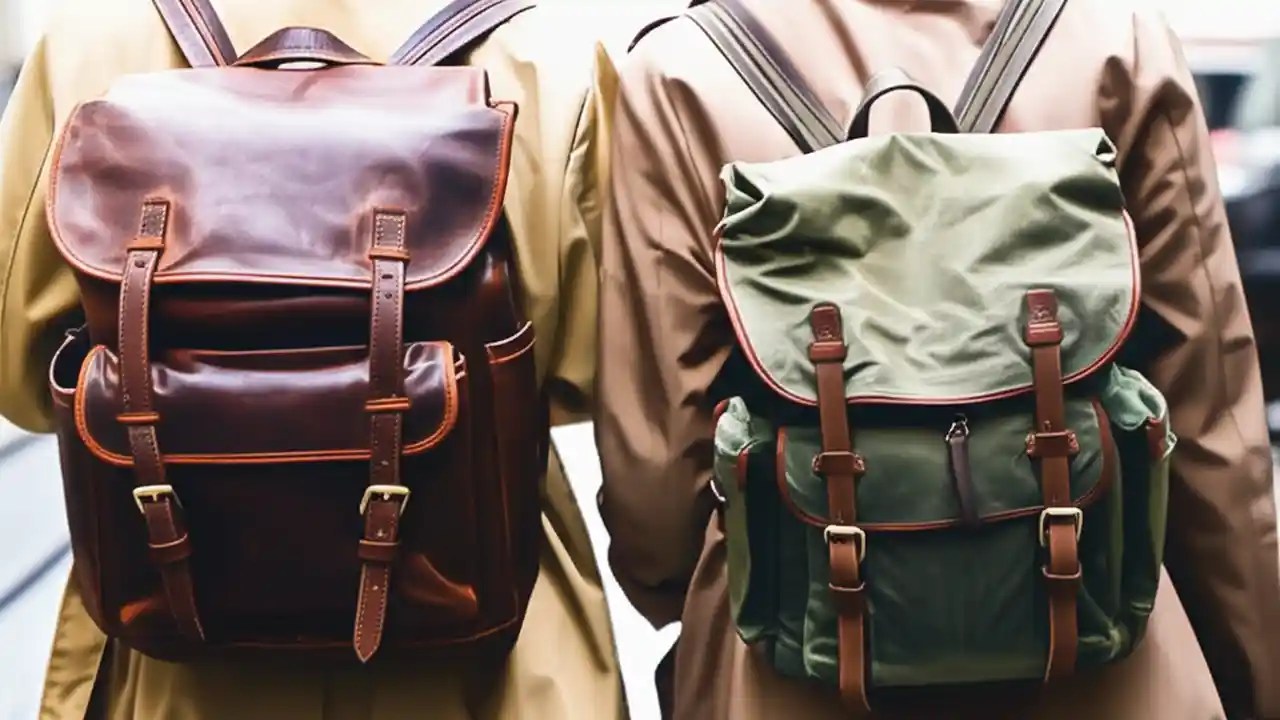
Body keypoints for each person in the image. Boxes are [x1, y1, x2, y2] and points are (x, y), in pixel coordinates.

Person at [593, 0, 1280, 718]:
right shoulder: (1118, 42)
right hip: (1099, 652)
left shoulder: (684, 72)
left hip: (794, 662)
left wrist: (693, 601)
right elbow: (1213, 426)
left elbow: (656, 481)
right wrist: (1252, 672)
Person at [0, 0, 657, 717]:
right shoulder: (544, 54)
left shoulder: (94, 43)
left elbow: (21, 380)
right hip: (489, 657)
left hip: (174, 637)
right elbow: (605, 382)